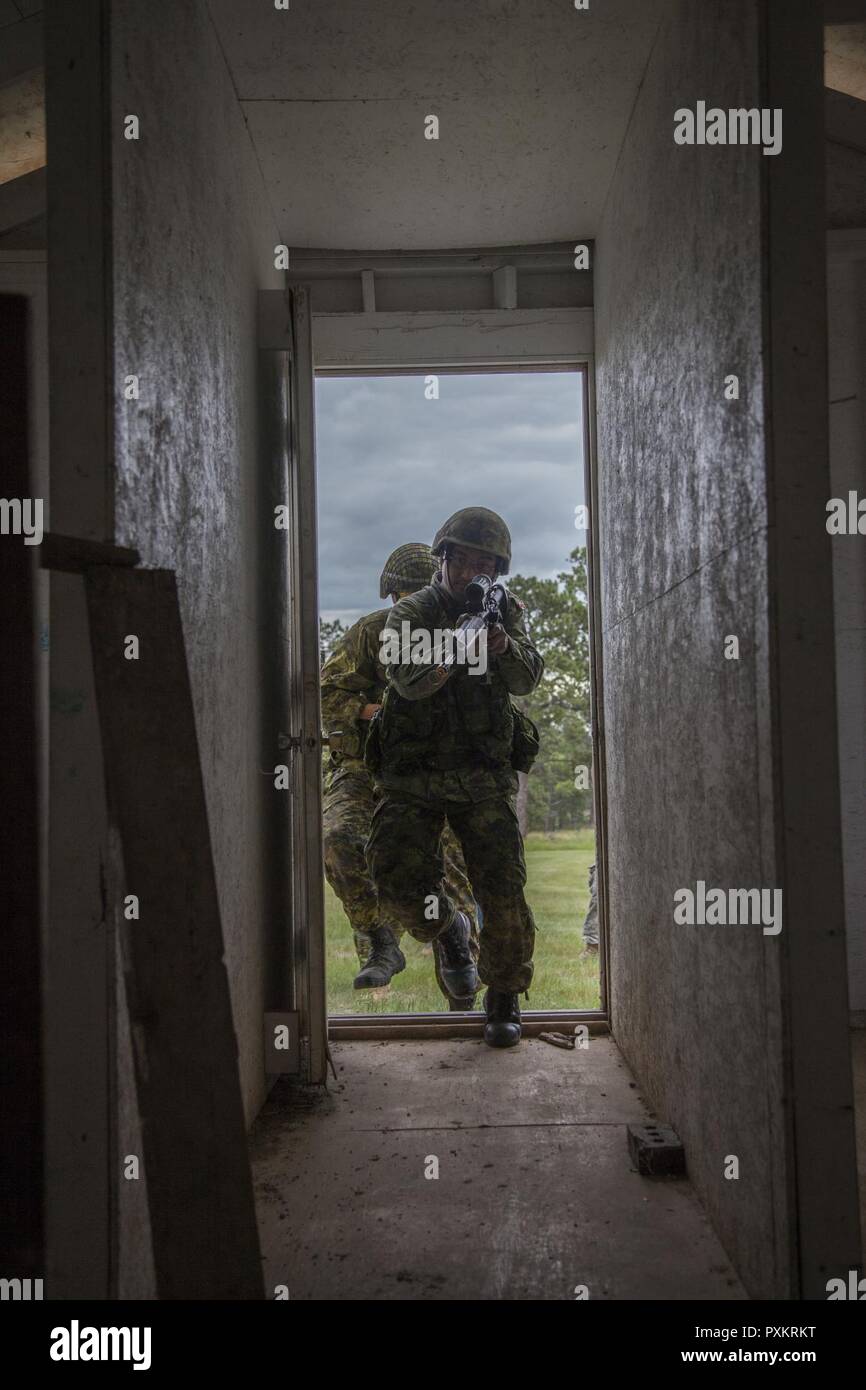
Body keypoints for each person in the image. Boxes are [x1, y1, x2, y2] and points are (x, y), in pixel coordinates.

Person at [365, 508, 544, 1047]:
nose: (471, 572)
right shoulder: (411, 613)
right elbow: (408, 681)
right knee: (393, 878)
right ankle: (448, 930)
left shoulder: (505, 611)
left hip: (482, 772)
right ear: (443, 558)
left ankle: (504, 997)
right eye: (462, 560)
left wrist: (503, 646)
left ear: (498, 567)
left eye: (483, 563)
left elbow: (527, 678)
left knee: (503, 889)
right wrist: (455, 650)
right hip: (413, 775)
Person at [320, 543, 480, 1009]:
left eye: (418, 594)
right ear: (391, 597)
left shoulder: (460, 635)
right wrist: (371, 712)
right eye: (401, 596)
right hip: (365, 771)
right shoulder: (370, 633)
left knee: (452, 880)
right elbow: (327, 693)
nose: (406, 605)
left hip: (436, 778)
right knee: (338, 838)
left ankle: (462, 990)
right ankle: (378, 938)